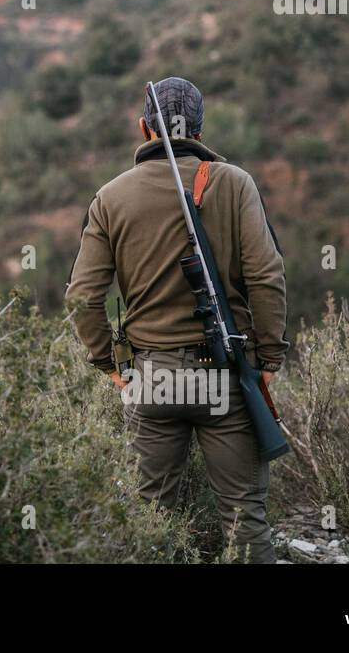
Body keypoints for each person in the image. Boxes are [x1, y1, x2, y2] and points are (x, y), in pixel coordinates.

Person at [65, 76, 288, 562]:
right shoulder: (235, 183)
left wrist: (111, 367)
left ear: (144, 127)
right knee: (244, 515)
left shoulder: (110, 197)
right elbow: (267, 276)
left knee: (149, 519)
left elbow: (82, 298)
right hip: (226, 378)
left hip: (152, 379)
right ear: (200, 129)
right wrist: (268, 356)